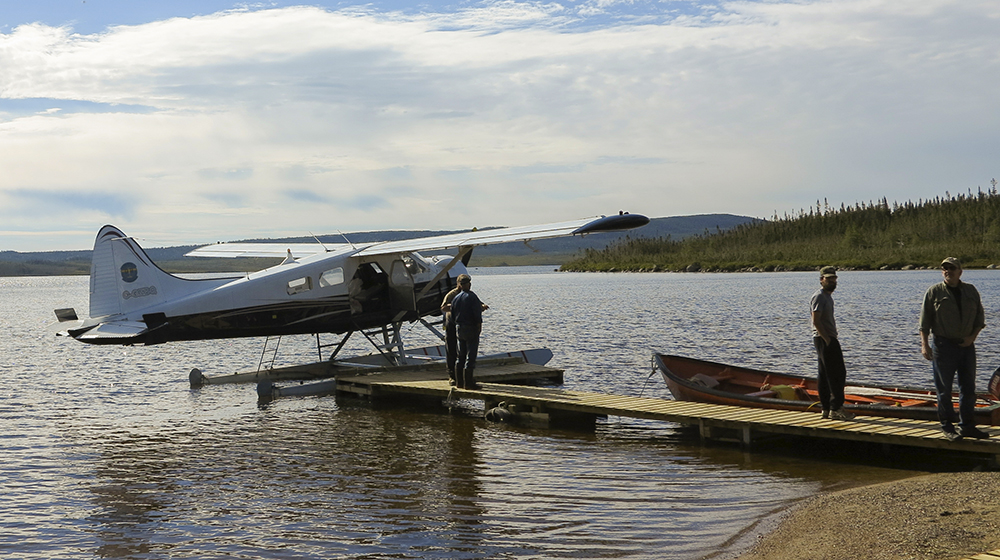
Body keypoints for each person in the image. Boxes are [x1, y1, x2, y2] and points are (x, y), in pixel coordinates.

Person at [920, 257, 990, 441]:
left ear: (960, 271)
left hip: (967, 346)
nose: (948, 271)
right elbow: (924, 323)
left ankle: (967, 426)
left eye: (952, 268)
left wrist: (971, 338)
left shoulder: (971, 290)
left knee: (968, 389)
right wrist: (925, 345)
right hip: (943, 346)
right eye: (945, 269)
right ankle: (947, 426)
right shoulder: (934, 292)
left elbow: (979, 320)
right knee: (944, 389)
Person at [811, 266, 854, 421]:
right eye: (828, 279)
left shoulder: (827, 296)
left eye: (833, 278)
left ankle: (826, 408)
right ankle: (836, 408)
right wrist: (827, 339)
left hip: (826, 338)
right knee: (837, 373)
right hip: (825, 338)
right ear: (821, 280)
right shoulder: (820, 296)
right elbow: (816, 320)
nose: (831, 281)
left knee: (824, 374)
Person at [451, 273, 488, 389]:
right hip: (471, 328)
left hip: (459, 328)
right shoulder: (472, 297)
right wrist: (479, 326)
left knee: (460, 356)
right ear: (469, 284)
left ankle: (459, 382)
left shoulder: (455, 298)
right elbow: (477, 314)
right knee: (470, 356)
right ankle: (469, 383)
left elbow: (452, 314)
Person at [440, 283, 462, 386]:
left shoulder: (469, 294)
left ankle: (462, 375)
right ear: (458, 284)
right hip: (450, 324)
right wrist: (456, 305)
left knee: (463, 350)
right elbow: (443, 307)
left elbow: (477, 304)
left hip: (463, 325)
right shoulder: (451, 294)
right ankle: (452, 375)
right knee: (451, 349)